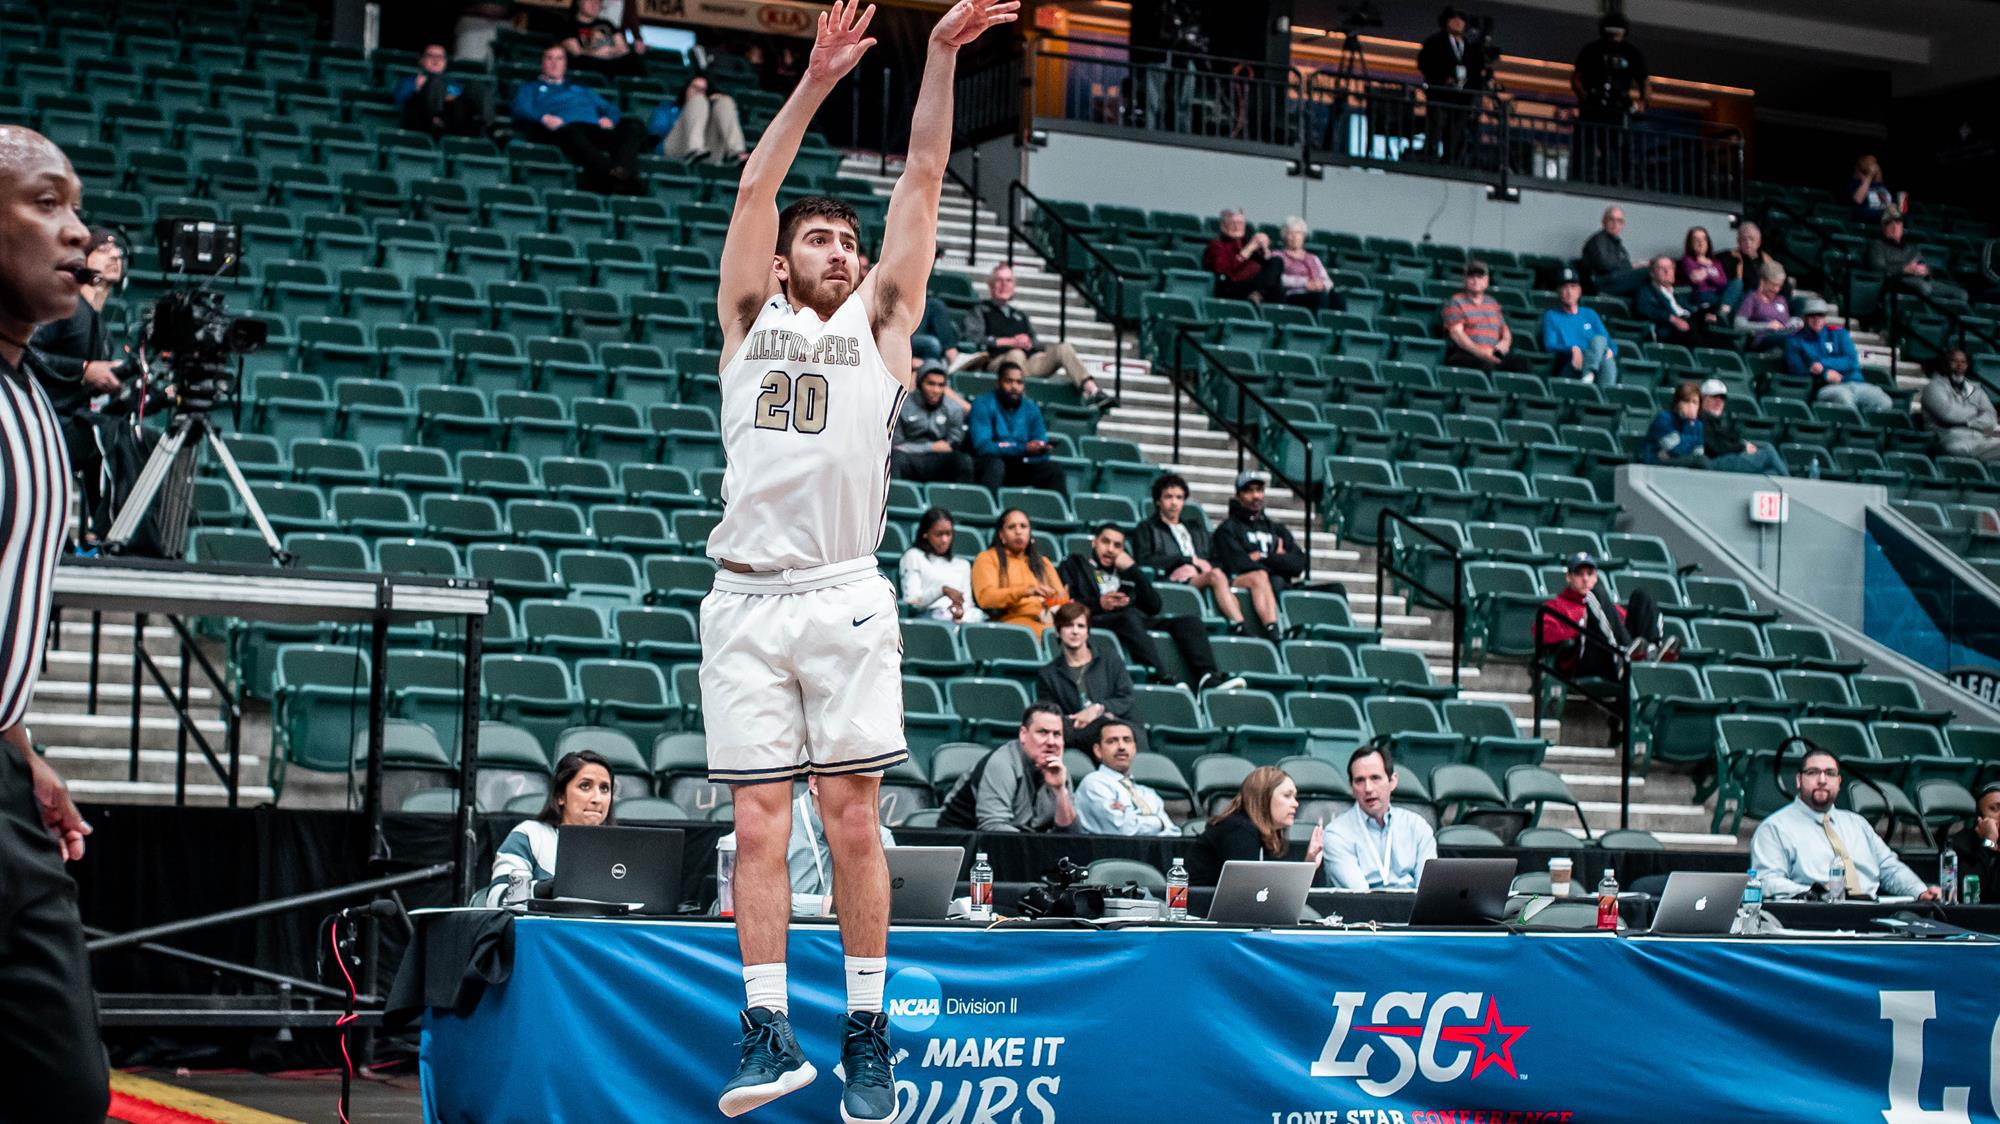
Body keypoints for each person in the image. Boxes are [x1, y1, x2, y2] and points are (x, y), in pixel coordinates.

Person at [699, 4, 1016, 1118]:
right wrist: (818, 79)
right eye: (819, 237)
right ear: (785, 258)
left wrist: (933, 57)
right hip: (741, 598)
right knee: (754, 825)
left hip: (839, 593)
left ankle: (866, 1033)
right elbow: (751, 186)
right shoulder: (748, 318)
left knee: (850, 816)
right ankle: (765, 1027)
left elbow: (925, 175)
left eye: (848, 237)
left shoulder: (881, 323)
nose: (840, 248)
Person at [0, 124, 111, 1124]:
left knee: (61, 1084)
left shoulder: (29, 394)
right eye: (46, 202)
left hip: (1, 782)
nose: (76, 230)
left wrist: (20, 748)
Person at [29, 226, 125, 543]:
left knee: (130, 433)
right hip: (45, 424)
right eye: (103, 251)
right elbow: (27, 355)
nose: (115, 256)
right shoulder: (64, 309)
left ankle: (103, 532)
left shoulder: (103, 329)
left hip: (72, 422)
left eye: (119, 254)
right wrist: (85, 370)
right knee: (113, 436)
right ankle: (101, 532)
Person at [1058, 521, 1233, 692]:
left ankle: (1208, 677)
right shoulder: (1075, 564)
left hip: (1132, 620)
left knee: (1190, 622)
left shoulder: (1124, 571)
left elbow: (1154, 606)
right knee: (1129, 618)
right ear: (1094, 542)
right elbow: (1067, 603)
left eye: (1117, 545)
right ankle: (1161, 676)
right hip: (1096, 619)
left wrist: (1133, 569)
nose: (1110, 549)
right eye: (1105, 542)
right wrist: (1100, 603)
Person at [1749, 748, 1940, 901]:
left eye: (1830, 773)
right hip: (1812, 919)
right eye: (1813, 772)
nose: (1822, 780)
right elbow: (1766, 881)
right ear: (1799, 780)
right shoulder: (1774, 828)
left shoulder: (1857, 823)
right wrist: (1816, 893)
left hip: (1873, 917)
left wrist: (1920, 891)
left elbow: (1889, 868)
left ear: (1839, 782)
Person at [720, 776, 899, 918]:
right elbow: (748, 899)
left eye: (863, 788)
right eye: (848, 786)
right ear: (815, 784)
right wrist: (828, 905)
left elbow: (894, 903)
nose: (857, 797)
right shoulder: (772, 825)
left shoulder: (880, 837)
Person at [959, 263, 1113, 407]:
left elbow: (1036, 344)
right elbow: (973, 338)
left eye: (1008, 280)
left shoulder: (1020, 315)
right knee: (1016, 354)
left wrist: (1029, 343)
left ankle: (1092, 390)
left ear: (1013, 286)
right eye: (999, 280)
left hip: (1027, 361)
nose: (1004, 284)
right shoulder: (980, 310)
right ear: (991, 285)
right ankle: (1024, 403)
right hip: (997, 361)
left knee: (1063, 348)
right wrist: (1010, 342)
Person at [511, 44, 655, 194]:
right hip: (563, 129)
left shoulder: (579, 89)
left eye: (559, 59)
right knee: (571, 132)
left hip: (593, 128)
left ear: (565, 63)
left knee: (633, 126)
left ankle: (620, 171)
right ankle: (609, 175)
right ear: (543, 62)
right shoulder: (530, 87)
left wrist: (609, 119)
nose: (554, 63)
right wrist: (543, 117)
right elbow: (520, 109)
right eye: (550, 58)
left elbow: (610, 108)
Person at [482, 749, 615, 906]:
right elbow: (496, 898)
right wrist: (545, 889)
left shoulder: (620, 847)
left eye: (604, 788)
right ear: (560, 796)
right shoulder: (529, 835)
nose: (597, 798)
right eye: (585, 786)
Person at [1129, 472, 1248, 633]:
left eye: (1179, 497)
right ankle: (1240, 624)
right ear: (1158, 501)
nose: (1174, 502)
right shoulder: (1147, 528)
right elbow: (1144, 561)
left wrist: (1203, 566)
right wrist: (1184, 560)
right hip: (1171, 579)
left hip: (1203, 576)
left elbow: (1217, 560)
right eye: (1168, 497)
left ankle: (1238, 625)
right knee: (1216, 576)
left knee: (1219, 574)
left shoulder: (1196, 529)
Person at [936, 703, 1077, 833]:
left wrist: (1060, 791)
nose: (1051, 742)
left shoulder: (1059, 771)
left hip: (1016, 846)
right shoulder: (1001, 764)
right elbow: (993, 828)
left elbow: (1071, 834)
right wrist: (1039, 848)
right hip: (961, 846)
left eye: (1057, 734)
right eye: (1043, 732)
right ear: (1023, 734)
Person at [1185, 765, 1324, 887]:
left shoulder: (1259, 832)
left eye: (1295, 797)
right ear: (1263, 798)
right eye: (1287, 796)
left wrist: (1309, 862)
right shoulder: (1239, 829)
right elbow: (1251, 893)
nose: (1295, 804)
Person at [1321, 746, 1437, 892]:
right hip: (1363, 912)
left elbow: (1426, 890)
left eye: (1375, 778)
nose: (1368, 788)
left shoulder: (1417, 826)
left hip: (1414, 910)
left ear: (1392, 781)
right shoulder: (1337, 833)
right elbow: (1359, 895)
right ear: (1351, 787)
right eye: (1360, 781)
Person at [1535, 552, 1665, 680]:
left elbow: (1624, 629)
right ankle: (1623, 653)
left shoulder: (1611, 608)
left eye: (1589, 574)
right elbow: (1542, 633)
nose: (1585, 579)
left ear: (1595, 577)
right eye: (1579, 574)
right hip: (1585, 661)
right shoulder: (1555, 606)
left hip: (1613, 663)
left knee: (1642, 595)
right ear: (1569, 577)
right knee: (1595, 594)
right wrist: (1579, 628)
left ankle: (1652, 652)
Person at [1210, 471, 1304, 643]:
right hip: (1244, 581)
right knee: (1264, 577)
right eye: (1249, 491)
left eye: (1259, 490)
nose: (1256, 496)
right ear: (1238, 495)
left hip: (1281, 584)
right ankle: (1273, 631)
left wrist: (1263, 557)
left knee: (1335, 589)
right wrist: (1279, 560)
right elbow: (1239, 564)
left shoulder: (1276, 528)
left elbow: (1299, 564)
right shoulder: (1227, 529)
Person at [1035, 602, 1140, 751]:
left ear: (1088, 631)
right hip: (1081, 735)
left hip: (1117, 727)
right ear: (1058, 631)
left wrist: (1098, 709)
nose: (1075, 631)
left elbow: (1127, 697)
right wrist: (1079, 720)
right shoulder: (1048, 674)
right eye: (1068, 626)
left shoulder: (1110, 660)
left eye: (1081, 626)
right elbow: (1051, 716)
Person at [1570, 13, 1647, 186]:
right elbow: (1576, 79)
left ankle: (1618, 180)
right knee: (1586, 144)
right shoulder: (1592, 50)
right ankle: (1582, 178)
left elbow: (1645, 82)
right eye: (1611, 34)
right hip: (1593, 108)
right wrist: (1586, 97)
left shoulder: (1631, 53)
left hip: (1618, 110)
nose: (1614, 39)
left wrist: (1642, 102)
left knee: (1617, 147)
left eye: (1617, 35)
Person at [967, 360, 1067, 492]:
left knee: (1053, 470)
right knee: (995, 465)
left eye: (1019, 382)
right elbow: (984, 447)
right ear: (998, 383)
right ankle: (988, 509)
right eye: (1009, 381)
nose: (1014, 386)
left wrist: (1039, 448)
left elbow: (1040, 443)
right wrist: (1022, 448)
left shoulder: (1031, 408)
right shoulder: (983, 404)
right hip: (989, 465)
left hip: (1020, 465)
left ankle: (1055, 511)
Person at [970, 507, 1067, 637]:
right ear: (1001, 535)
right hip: (1012, 626)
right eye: (1011, 527)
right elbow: (986, 598)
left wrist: (1056, 601)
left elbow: (1061, 600)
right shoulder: (987, 558)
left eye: (1023, 526)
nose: (1018, 531)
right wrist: (1026, 591)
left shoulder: (1043, 562)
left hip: (1049, 623)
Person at [1786, 299, 1892, 414]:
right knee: (1844, 400)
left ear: (1825, 317)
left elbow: (1851, 361)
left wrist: (1822, 366)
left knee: (1884, 401)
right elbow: (1798, 370)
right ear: (1805, 318)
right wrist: (1824, 375)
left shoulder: (1838, 333)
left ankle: (1865, 427)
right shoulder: (1795, 340)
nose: (1817, 320)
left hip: (1855, 382)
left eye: (1820, 315)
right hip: (1827, 387)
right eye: (1812, 316)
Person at [1072, 720, 1177, 836]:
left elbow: (1173, 833)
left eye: (1127, 740)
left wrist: (1129, 816)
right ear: (1098, 751)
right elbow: (1122, 831)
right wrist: (1159, 823)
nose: (1121, 747)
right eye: (1112, 741)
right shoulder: (1093, 784)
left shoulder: (1149, 794)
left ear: (1135, 748)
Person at [1417, 6, 1486, 166]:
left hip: (1461, 98)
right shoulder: (1435, 42)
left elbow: (1477, 71)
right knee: (1437, 124)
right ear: (1446, 22)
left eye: (1461, 19)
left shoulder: (1470, 47)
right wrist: (1443, 79)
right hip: (1440, 94)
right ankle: (1431, 154)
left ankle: (1452, 159)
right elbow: (1426, 64)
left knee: (1458, 130)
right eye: (1454, 19)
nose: (1458, 22)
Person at [1440, 260, 1532, 373]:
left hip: (1492, 352)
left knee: (1521, 363)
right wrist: (1481, 352)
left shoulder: (1492, 303)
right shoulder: (1455, 301)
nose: (1475, 281)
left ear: (1486, 281)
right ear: (1464, 280)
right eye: (1471, 277)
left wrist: (1504, 344)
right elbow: (1457, 335)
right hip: (1467, 353)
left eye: (1480, 277)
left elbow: (1504, 330)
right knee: (1485, 365)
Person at [899, 507, 984, 624]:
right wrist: (942, 591)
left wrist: (959, 610)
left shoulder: (963, 565)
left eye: (948, 534)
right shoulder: (913, 556)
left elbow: (967, 602)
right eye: (938, 534)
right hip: (928, 617)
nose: (944, 540)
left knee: (978, 615)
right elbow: (912, 601)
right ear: (925, 534)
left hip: (959, 618)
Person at [890, 364, 971, 482]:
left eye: (941, 385)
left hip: (938, 460)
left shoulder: (954, 409)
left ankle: (959, 499)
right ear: (920, 384)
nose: (936, 390)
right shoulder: (902, 405)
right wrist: (930, 447)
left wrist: (940, 448)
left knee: (963, 461)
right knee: (895, 458)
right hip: (909, 458)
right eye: (931, 384)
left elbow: (952, 444)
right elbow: (897, 445)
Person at [1539, 267, 1618, 385]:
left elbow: (1608, 342)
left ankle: (1589, 376)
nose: (1569, 292)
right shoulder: (1551, 316)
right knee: (1603, 355)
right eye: (1565, 288)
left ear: (1579, 291)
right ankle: (1601, 392)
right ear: (1558, 291)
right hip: (1571, 364)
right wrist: (1572, 349)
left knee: (1604, 352)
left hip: (1594, 362)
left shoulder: (1589, 314)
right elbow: (1549, 345)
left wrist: (1611, 351)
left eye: (1573, 287)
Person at [393, 44, 490, 138]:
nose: (436, 60)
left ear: (445, 62)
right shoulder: (410, 81)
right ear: (422, 60)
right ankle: (436, 119)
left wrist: (449, 98)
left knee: (476, 86)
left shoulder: (454, 84)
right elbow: (400, 102)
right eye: (430, 56)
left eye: (440, 57)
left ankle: (489, 127)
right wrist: (417, 89)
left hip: (452, 122)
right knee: (435, 82)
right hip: (423, 124)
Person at [1868, 211, 1967, 303]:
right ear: (1884, 228)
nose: (1895, 228)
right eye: (1890, 224)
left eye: (1898, 224)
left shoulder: (1911, 247)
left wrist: (1925, 270)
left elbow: (1925, 265)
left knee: (1961, 294)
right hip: (1898, 281)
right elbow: (1877, 268)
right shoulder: (1877, 246)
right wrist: (1904, 269)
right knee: (1924, 288)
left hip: (1924, 279)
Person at [1920, 349, 2000, 462]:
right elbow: (1949, 414)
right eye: (1954, 361)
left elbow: (1991, 419)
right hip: (1952, 440)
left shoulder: (1975, 388)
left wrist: (1967, 422)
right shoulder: (1933, 387)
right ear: (1945, 363)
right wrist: (1977, 412)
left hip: (1979, 439)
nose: (1959, 365)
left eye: (1963, 362)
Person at [651, 74, 750, 165]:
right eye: (695, 87)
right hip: (675, 148)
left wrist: (719, 100)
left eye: (703, 90)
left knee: (725, 102)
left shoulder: (710, 111)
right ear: (686, 89)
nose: (698, 92)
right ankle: (694, 149)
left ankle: (737, 153)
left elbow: (733, 120)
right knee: (698, 100)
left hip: (707, 153)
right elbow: (655, 133)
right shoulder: (669, 107)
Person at [1699, 380, 1788, 476]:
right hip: (1712, 463)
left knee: (1771, 472)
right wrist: (1742, 447)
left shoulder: (1715, 421)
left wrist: (1743, 444)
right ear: (1703, 398)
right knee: (1767, 450)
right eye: (1714, 397)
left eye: (1722, 398)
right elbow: (1717, 447)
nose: (1719, 401)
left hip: (1724, 459)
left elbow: (1727, 440)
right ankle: (1791, 485)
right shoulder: (1701, 419)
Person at [1636, 255, 1722, 347]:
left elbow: (1689, 310)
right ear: (1652, 273)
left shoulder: (1677, 293)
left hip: (1690, 322)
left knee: (1717, 324)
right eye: (1661, 268)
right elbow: (1645, 309)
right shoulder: (1647, 291)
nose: (1667, 271)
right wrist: (1672, 318)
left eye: (1670, 268)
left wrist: (1704, 315)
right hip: (1671, 331)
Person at [1202, 208, 1284, 303]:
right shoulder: (1216, 245)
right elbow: (1224, 271)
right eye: (1233, 223)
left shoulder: (1245, 242)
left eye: (1241, 223)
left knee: (1276, 261)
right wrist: (1248, 250)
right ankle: (1259, 293)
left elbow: (1267, 266)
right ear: (1223, 226)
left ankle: (1259, 293)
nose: (1237, 227)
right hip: (1231, 286)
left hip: (1253, 285)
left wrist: (1265, 248)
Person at [1271, 217, 1341, 312]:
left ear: (1303, 236)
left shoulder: (1313, 258)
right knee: (1320, 297)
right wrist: (1305, 283)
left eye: (1298, 233)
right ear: (1284, 236)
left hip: (1317, 292)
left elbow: (1328, 281)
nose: (1295, 237)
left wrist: (1322, 285)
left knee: (1338, 298)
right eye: (1291, 233)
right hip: (1293, 295)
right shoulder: (1277, 255)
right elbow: (1277, 278)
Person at [561, 0, 646, 76]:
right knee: (583, 60)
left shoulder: (607, 24)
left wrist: (608, 51)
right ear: (579, 2)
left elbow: (623, 48)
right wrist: (597, 53)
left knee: (633, 59)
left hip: (612, 64)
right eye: (590, 1)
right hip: (588, 65)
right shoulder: (568, 25)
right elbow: (576, 52)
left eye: (598, 2)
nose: (594, 5)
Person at [1716, 221, 1786, 313]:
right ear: (1738, 241)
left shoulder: (1768, 261)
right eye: (1744, 239)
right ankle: (1723, 315)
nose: (1748, 243)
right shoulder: (1728, 257)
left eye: (1751, 239)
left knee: (1800, 302)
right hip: (1743, 299)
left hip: (1765, 300)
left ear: (1759, 242)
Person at [1580, 205, 1647, 297]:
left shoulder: (1617, 243)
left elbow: (1621, 265)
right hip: (1603, 283)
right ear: (1604, 222)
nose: (1615, 224)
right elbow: (1605, 265)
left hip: (1615, 280)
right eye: (1611, 219)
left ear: (1623, 225)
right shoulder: (1598, 240)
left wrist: (1635, 266)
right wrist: (1631, 266)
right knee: (1649, 272)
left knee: (1653, 273)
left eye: (1619, 221)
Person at [1945, 781, 2000, 893]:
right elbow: (1972, 894)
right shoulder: (1958, 846)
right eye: (1994, 809)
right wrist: (1989, 843)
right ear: (1979, 817)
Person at [1732, 261, 1797, 351]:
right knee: (1791, 340)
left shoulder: (1781, 299)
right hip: (1763, 339)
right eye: (1773, 285)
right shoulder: (1752, 298)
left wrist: (1794, 322)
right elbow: (1738, 324)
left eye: (1779, 286)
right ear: (1763, 281)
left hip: (1784, 335)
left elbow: (1786, 322)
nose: (1776, 289)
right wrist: (1767, 326)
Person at [1640, 380, 1705, 467]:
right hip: (1654, 466)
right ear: (1677, 403)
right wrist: (1690, 425)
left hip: (1682, 465)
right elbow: (1676, 451)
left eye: (1695, 403)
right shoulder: (1664, 419)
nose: (1691, 407)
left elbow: (1698, 453)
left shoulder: (1698, 425)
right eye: (1686, 401)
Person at [1848, 154, 1902, 226]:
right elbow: (1858, 200)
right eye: (1870, 162)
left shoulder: (1881, 185)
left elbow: (1888, 202)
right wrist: (1869, 175)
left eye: (1875, 162)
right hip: (1867, 222)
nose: (1874, 165)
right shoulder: (1857, 182)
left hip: (1885, 222)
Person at [1678, 226, 1726, 306]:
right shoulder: (1688, 260)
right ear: (1690, 243)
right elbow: (1698, 282)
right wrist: (1714, 278)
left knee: (1736, 283)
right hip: (1703, 295)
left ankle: (1724, 309)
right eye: (1696, 240)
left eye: (1704, 239)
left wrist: (1706, 274)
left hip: (1719, 294)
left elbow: (1723, 282)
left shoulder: (1716, 262)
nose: (1701, 243)